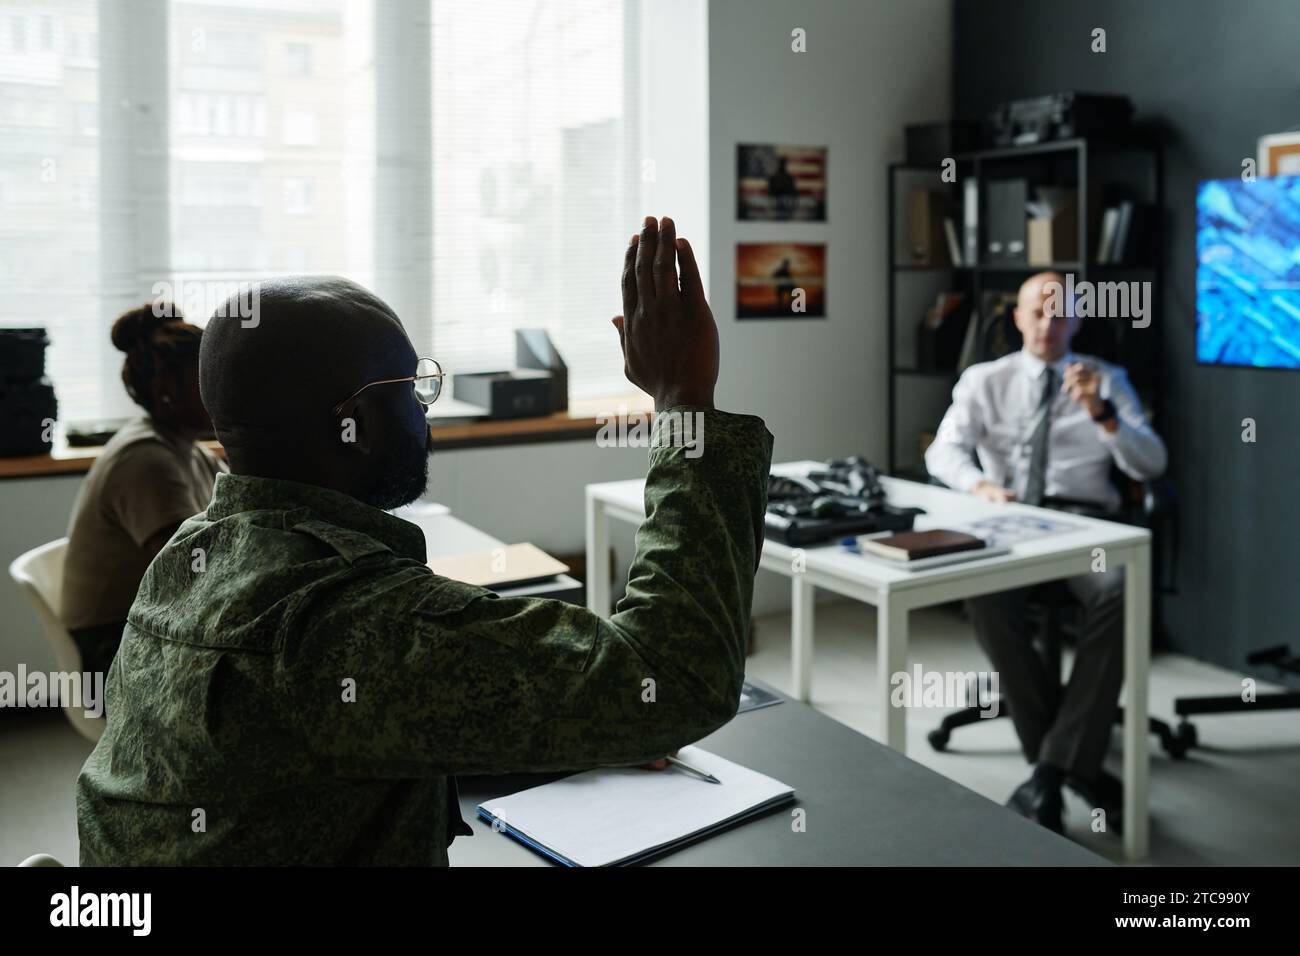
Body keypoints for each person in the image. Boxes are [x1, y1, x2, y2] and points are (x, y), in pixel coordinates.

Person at [76, 216, 774, 865]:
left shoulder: (189, 558)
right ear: (356, 422)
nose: (423, 405)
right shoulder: (348, 619)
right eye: (412, 387)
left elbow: (348, 719)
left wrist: (560, 724)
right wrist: (685, 400)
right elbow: (672, 679)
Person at [924, 271, 1166, 834]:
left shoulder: (1107, 379)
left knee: (1121, 592)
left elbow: (1151, 465)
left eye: (1061, 314)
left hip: (1084, 524)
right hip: (1008, 519)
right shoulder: (986, 380)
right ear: (1017, 318)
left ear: (1078, 319)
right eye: (1037, 312)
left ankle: (1049, 771)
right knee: (984, 594)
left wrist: (1103, 415)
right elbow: (944, 452)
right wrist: (978, 486)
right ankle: (1067, 762)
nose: (1048, 325)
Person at [62, 305, 225, 680]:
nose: (222, 387)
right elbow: (192, 571)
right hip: (109, 648)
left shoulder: (189, 449)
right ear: (166, 390)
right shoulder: (146, 458)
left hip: (144, 623)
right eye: (205, 377)